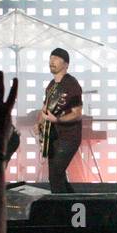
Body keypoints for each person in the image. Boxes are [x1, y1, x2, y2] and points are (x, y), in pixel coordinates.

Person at [36, 48, 83, 194]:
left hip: (69, 137)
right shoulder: (51, 85)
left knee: (55, 175)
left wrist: (57, 120)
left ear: (66, 64)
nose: (52, 61)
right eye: (51, 58)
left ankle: (61, 211)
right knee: (58, 177)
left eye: (56, 58)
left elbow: (77, 114)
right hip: (53, 137)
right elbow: (45, 108)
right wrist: (39, 124)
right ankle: (76, 206)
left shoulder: (71, 84)